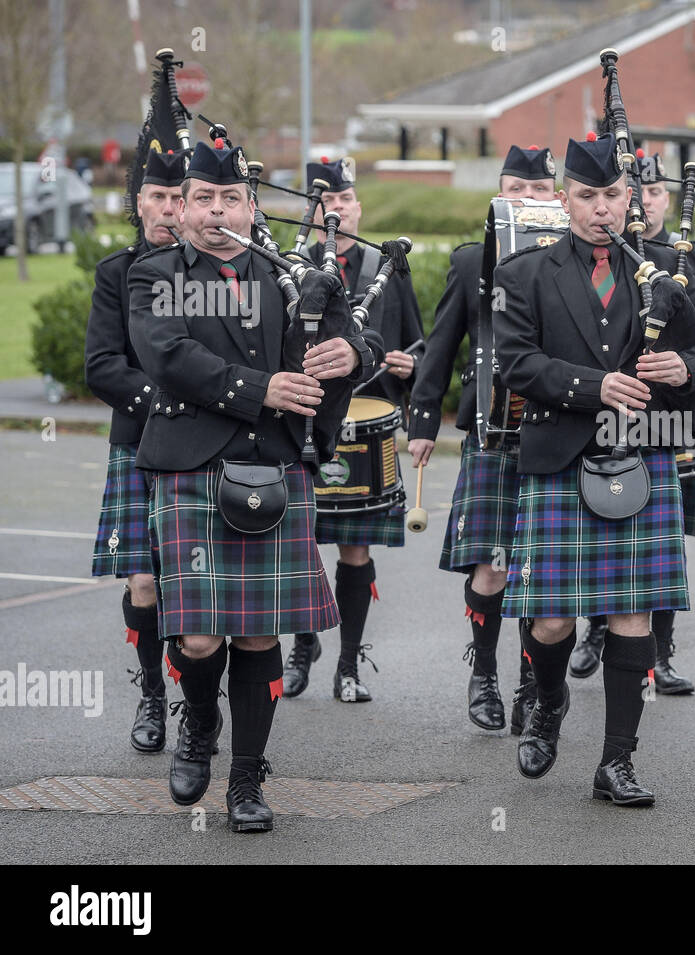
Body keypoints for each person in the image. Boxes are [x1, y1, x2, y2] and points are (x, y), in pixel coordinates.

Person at [127, 140, 377, 831]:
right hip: (191, 467)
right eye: (202, 199)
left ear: (251, 204)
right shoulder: (154, 276)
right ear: (180, 210)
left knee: (260, 636)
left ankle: (246, 777)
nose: (216, 211)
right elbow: (167, 355)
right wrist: (259, 387)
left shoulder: (294, 277)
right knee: (202, 638)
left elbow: (365, 346)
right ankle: (200, 724)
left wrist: (351, 353)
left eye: (229, 198)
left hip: (274, 470)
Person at [493, 132, 695, 805]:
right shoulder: (524, 272)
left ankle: (617, 761)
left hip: (640, 458)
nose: (602, 209)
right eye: (587, 196)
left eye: (614, 195)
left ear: (630, 198)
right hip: (562, 457)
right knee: (552, 621)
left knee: (632, 614)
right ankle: (550, 697)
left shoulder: (666, 266)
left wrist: (688, 366)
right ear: (564, 200)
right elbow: (516, 362)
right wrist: (596, 386)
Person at [570, 151, 695, 694]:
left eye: (654, 191)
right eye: (635, 191)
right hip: (592, 424)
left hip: (671, 423)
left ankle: (659, 654)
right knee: (598, 530)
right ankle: (598, 626)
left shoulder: (689, 260)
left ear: (662, 198)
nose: (645, 200)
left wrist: (689, 366)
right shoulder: (583, 258)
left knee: (662, 544)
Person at [408, 144, 557, 733]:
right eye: (516, 189)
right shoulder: (475, 260)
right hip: (490, 425)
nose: (527, 199)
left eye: (539, 190)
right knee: (492, 567)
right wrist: (422, 422)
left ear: (557, 199)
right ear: (499, 195)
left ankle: (529, 683)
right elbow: (442, 342)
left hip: (554, 426)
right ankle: (486, 674)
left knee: (538, 569)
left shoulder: (569, 261)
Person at [282, 157, 424, 704]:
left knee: (356, 549)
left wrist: (414, 363)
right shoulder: (291, 267)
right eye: (324, 203)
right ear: (312, 213)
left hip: (369, 420)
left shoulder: (384, 265)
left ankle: (348, 664)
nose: (334, 210)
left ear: (357, 208)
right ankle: (302, 649)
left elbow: (416, 340)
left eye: (343, 201)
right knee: (300, 545)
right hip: (307, 416)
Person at [85, 148, 185, 754]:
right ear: (138, 204)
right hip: (140, 441)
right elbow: (101, 367)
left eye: (179, 198)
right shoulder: (115, 274)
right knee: (144, 581)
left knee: (200, 582)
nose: (168, 209)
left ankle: (201, 700)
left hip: (206, 449)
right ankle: (153, 694)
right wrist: (169, 400)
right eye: (157, 197)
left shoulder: (213, 272)